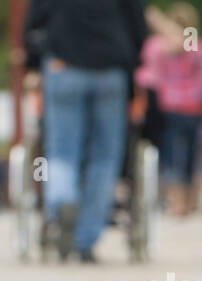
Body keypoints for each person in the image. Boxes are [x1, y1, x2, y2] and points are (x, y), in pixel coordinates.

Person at [25, 0, 147, 262]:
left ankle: (63, 202)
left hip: (63, 62)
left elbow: (35, 21)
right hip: (111, 66)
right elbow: (138, 23)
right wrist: (132, 62)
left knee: (62, 151)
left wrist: (33, 63)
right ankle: (86, 239)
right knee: (104, 156)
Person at [136, 3, 202, 216]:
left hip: (168, 106)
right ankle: (187, 200)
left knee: (172, 154)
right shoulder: (199, 47)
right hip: (194, 107)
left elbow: (146, 76)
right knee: (191, 156)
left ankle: (176, 201)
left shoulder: (155, 46)